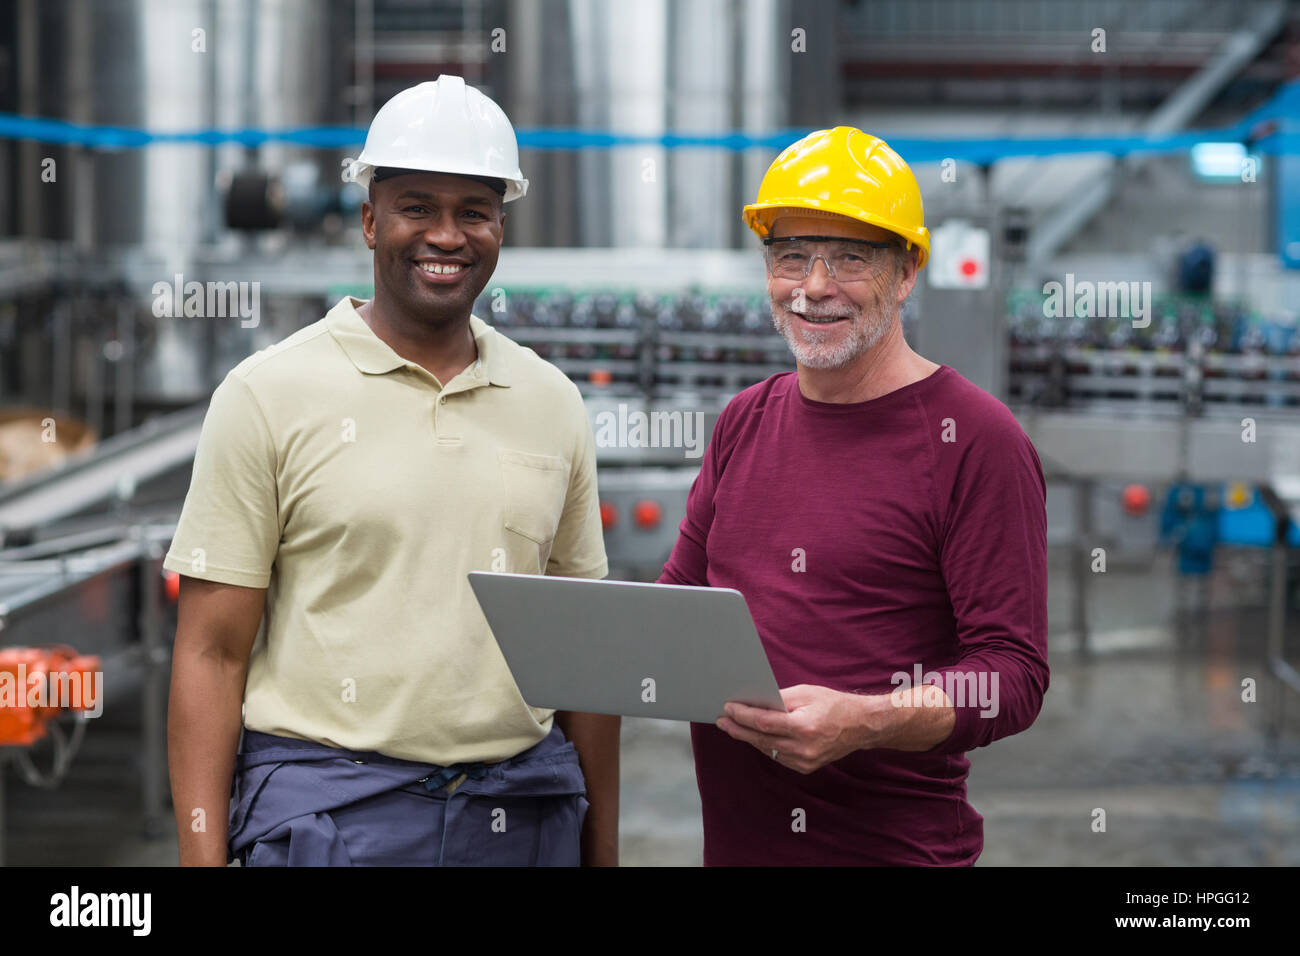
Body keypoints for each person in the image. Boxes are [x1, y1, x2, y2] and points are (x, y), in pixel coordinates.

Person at [165, 75, 619, 867]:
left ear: (500, 228)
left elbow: (586, 657)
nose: (447, 235)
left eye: (472, 212)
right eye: (417, 208)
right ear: (370, 221)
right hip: (333, 816)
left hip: (519, 815)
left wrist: (601, 854)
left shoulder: (550, 400)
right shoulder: (267, 394)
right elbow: (211, 653)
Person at [658, 126, 1049, 865]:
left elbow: (1013, 675)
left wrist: (867, 720)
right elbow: (679, 602)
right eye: (791, 255)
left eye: (849, 258)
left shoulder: (975, 440)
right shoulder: (746, 419)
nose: (812, 287)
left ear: (906, 273)